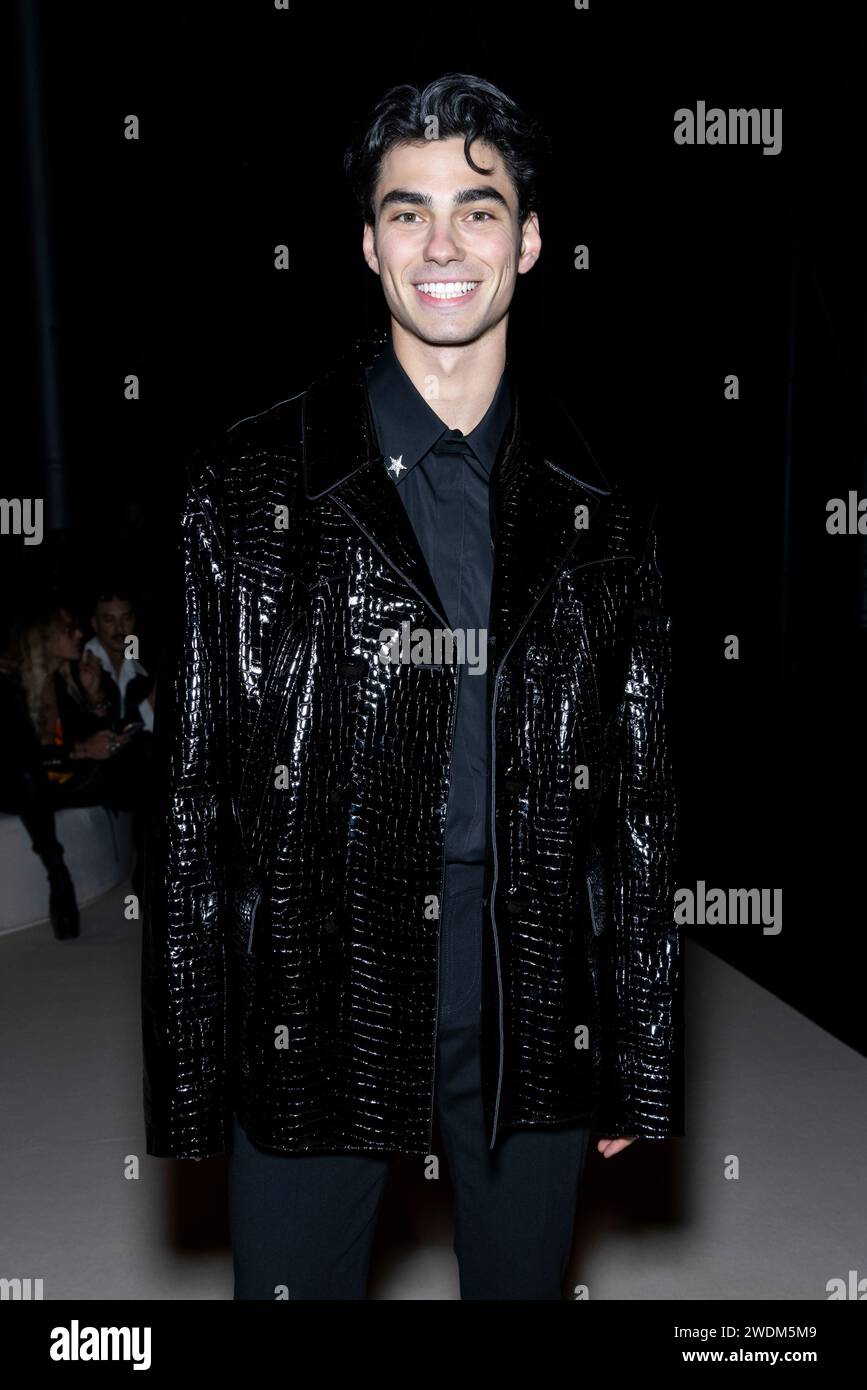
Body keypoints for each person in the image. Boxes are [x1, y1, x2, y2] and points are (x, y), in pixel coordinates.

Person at [142, 72, 683, 1300]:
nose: (443, 244)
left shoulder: (604, 507)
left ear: (530, 239)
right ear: (369, 243)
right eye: (408, 211)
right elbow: (187, 806)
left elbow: (640, 805)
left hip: (531, 983)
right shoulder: (241, 489)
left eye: (478, 209)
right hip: (311, 981)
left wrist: (637, 1047)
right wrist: (187, 1081)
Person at [0, 603, 151, 937]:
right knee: (27, 776)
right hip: (19, 787)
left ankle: (148, 869)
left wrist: (95, 696)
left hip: (61, 781)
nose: (80, 634)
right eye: (70, 629)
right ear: (44, 635)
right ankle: (59, 876)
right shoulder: (10, 683)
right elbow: (17, 756)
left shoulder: (64, 680)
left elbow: (91, 737)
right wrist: (83, 750)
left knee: (140, 753)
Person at [83, 584, 156, 731]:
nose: (120, 629)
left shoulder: (144, 665)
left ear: (134, 620)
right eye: (109, 620)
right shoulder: (77, 667)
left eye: (126, 618)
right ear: (94, 624)